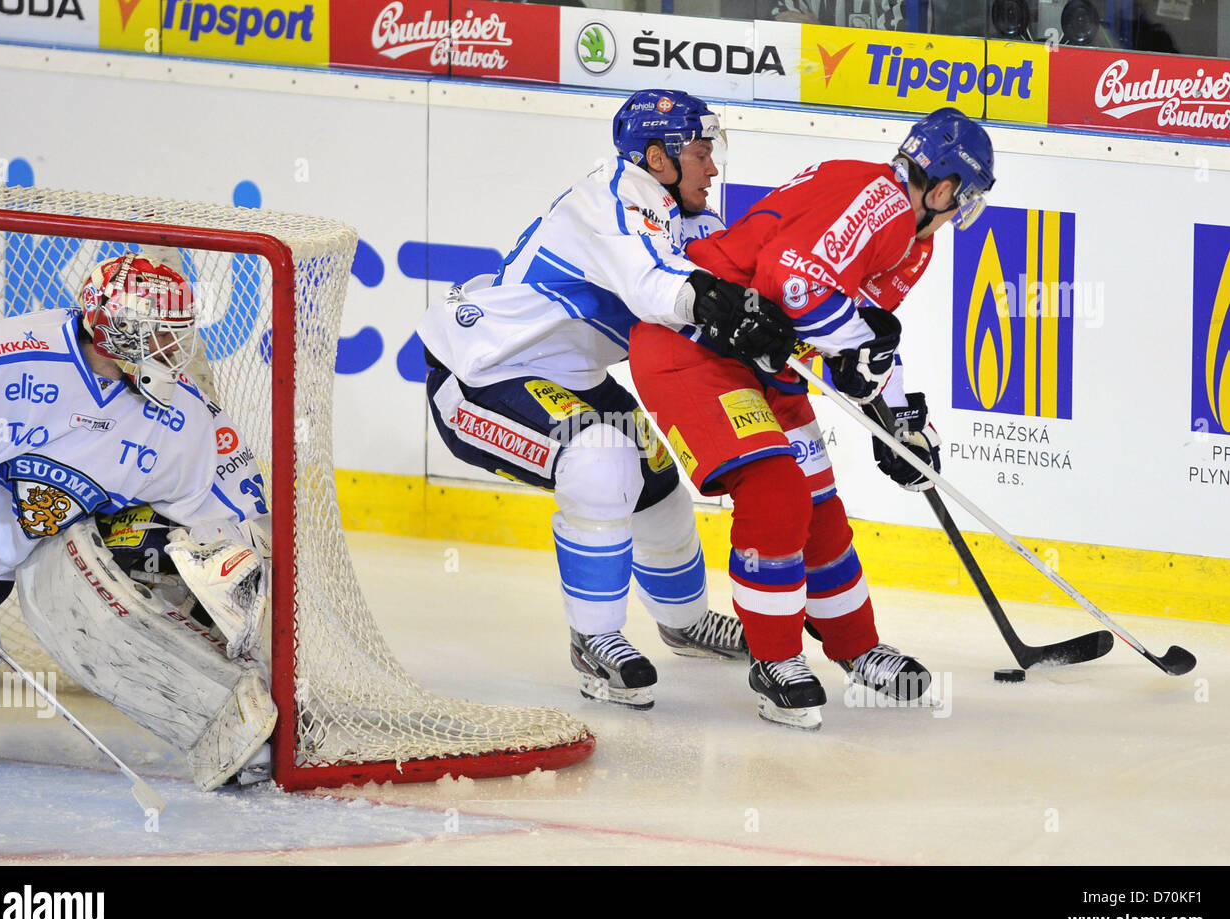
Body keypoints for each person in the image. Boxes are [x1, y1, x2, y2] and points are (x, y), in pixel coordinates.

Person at [418, 89, 788, 710]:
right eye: (701, 153)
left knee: (657, 483)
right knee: (600, 460)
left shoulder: (683, 210)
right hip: (483, 373)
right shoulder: (608, 200)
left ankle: (686, 622)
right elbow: (655, 289)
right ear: (658, 157)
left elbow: (733, 276)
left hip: (570, 377)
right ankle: (594, 638)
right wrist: (727, 310)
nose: (714, 168)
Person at [629, 107, 996, 728]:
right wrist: (859, 356)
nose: (965, 210)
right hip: (693, 344)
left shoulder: (914, 238)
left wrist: (899, 417)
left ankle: (856, 647)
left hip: (765, 356)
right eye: (967, 195)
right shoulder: (880, 202)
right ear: (942, 186)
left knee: (819, 504)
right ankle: (775, 660)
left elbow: (860, 338)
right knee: (775, 493)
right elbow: (792, 282)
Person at [0, 252, 275, 790]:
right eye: (163, 336)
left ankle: (224, 717)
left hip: (43, 554)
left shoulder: (184, 418)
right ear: (117, 333)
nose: (177, 351)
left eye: (180, 334)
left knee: (140, 564)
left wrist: (242, 576)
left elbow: (236, 517)